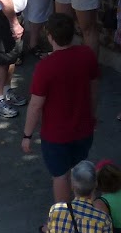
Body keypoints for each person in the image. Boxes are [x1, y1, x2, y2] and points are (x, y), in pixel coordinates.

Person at [22, 12, 100, 210]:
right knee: (80, 171)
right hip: (83, 127)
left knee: (60, 175)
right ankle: (85, 214)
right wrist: (92, 114)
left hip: (56, 134)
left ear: (50, 36)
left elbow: (36, 105)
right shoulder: (87, 55)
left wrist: (27, 135)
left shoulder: (45, 67)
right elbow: (94, 89)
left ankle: (63, 219)